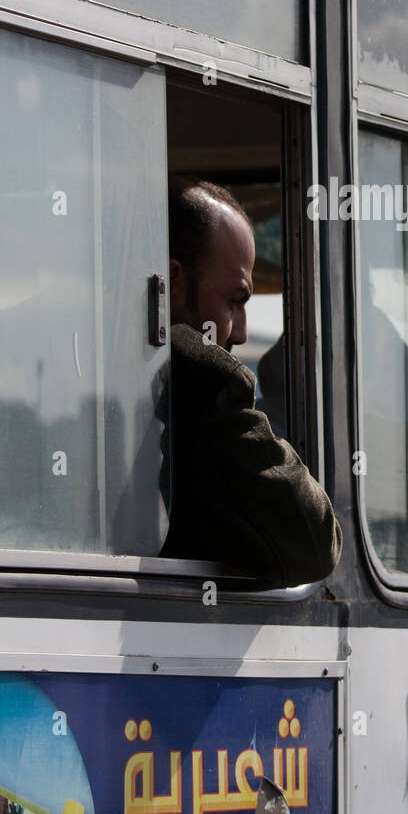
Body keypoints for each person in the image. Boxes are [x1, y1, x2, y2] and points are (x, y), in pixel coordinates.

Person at [158, 177, 341, 588]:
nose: (240, 332)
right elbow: (313, 542)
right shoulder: (202, 397)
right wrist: (198, 361)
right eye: (235, 301)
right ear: (173, 284)